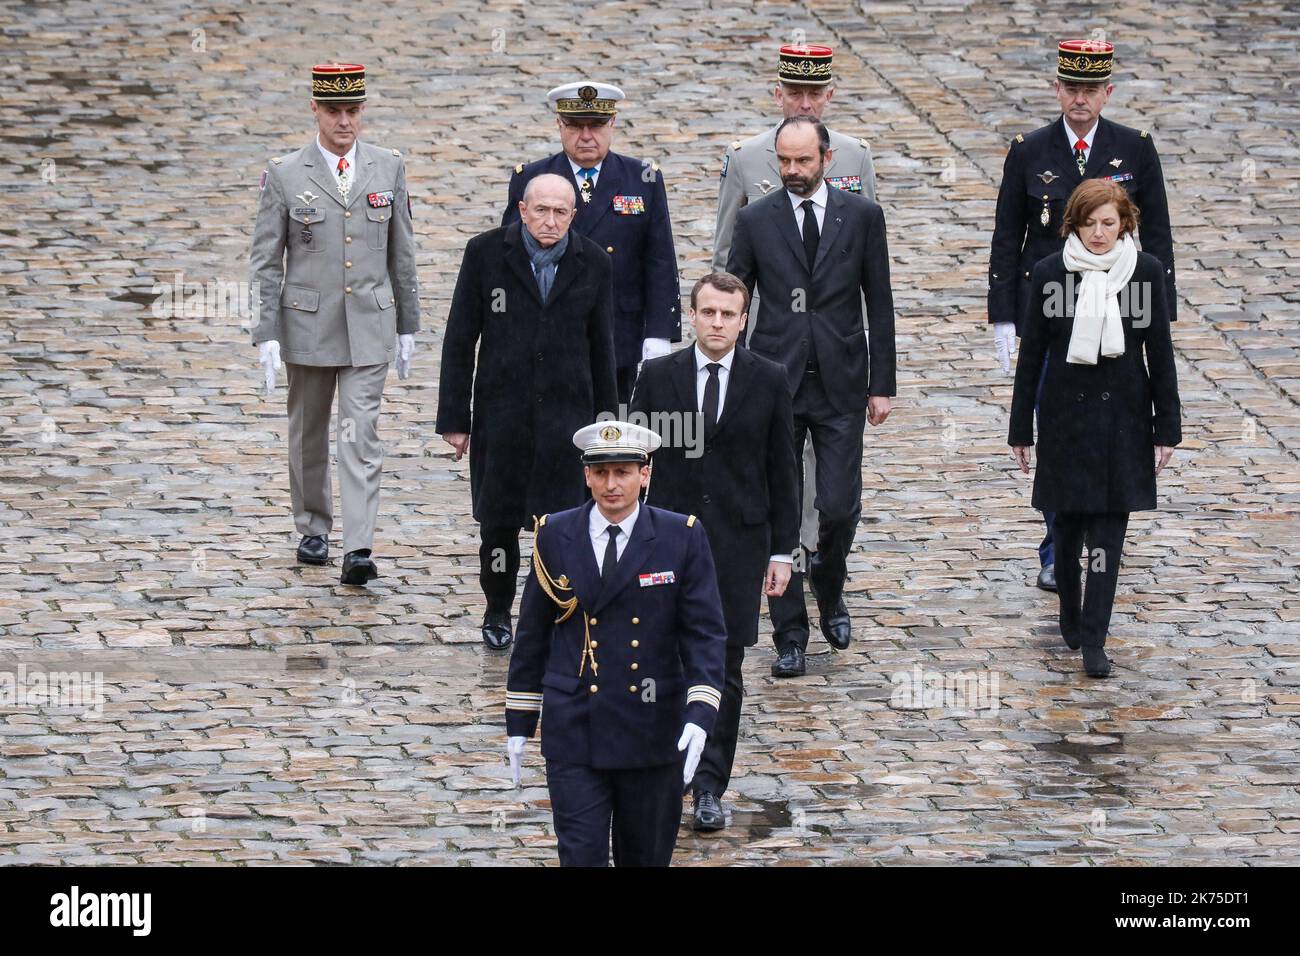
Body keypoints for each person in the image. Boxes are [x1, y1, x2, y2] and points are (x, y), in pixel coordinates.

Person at [988, 38, 1177, 593]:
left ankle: (1100, 534)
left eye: (1090, 89)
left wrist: (1160, 310)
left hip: (1118, 307)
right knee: (1058, 424)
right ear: (1057, 89)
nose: (1080, 99)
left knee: (1113, 422)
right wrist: (1004, 313)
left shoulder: (1134, 148)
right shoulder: (1030, 150)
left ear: (1107, 92)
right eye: (1071, 88)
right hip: (1051, 309)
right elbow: (1007, 235)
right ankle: (1056, 545)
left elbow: (1157, 234)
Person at [505, 421, 727, 866]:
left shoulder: (679, 536)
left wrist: (700, 713)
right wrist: (520, 721)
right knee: (580, 856)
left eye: (623, 471)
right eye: (601, 472)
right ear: (586, 474)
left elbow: (704, 633)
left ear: (645, 474)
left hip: (651, 730)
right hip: (576, 729)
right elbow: (533, 633)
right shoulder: (554, 534)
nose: (611, 485)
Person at [726, 116, 896, 678]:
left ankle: (830, 581)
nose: (792, 171)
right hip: (775, 378)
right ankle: (789, 634)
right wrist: (727, 371)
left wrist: (882, 383)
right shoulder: (755, 219)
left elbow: (880, 301)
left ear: (827, 158)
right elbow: (734, 300)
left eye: (803, 160)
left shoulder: (863, 217)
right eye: (784, 161)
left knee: (840, 504)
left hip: (841, 378)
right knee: (781, 505)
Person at [629, 272, 799, 831]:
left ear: (743, 318)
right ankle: (663, 774)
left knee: (723, 666)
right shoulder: (657, 376)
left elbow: (784, 471)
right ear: (692, 315)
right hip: (668, 543)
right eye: (708, 313)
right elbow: (634, 467)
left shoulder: (769, 380)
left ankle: (708, 785)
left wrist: (782, 553)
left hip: (738, 545)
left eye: (728, 314)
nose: (718, 323)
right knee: (662, 658)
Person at [249, 63, 420, 585]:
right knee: (309, 430)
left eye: (353, 111)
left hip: (370, 322)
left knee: (361, 432)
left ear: (362, 111)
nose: (344, 121)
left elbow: (402, 251)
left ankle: (359, 546)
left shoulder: (387, 167)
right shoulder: (286, 173)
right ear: (315, 111)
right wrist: (266, 333)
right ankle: (313, 524)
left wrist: (408, 323)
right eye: (334, 111)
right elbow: (264, 260)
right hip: (307, 325)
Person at [712, 43, 878, 569]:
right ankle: (788, 548)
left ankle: (818, 550)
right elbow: (726, 258)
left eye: (814, 94)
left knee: (831, 475)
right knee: (779, 460)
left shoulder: (854, 155)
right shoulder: (745, 157)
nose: (804, 104)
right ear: (778, 93)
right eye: (795, 93)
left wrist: (868, 353)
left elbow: (869, 260)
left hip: (834, 344)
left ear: (828, 95)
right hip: (773, 335)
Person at [437, 174, 618, 650]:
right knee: (497, 523)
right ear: (522, 210)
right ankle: (497, 608)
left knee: (559, 523)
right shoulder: (485, 254)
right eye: (541, 211)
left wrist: (606, 421)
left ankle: (556, 609)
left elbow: (604, 347)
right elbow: (460, 337)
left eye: (561, 212)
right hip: (502, 414)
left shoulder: (594, 263)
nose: (550, 221)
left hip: (566, 419)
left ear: (573, 216)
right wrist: (456, 419)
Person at [1009, 178, 1181, 678]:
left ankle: (1094, 637)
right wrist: (1021, 428)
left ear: (1124, 223)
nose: (1099, 234)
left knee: (1108, 536)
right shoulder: (1050, 274)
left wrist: (1166, 428)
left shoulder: (1144, 274)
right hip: (1064, 418)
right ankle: (1069, 602)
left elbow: (1161, 354)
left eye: (1109, 223)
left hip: (1122, 420)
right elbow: (1032, 356)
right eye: (1090, 224)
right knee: (1066, 530)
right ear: (1075, 225)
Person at [503, 82, 680, 404]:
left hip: (618, 333)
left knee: (612, 434)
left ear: (612, 123)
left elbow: (659, 260)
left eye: (596, 125)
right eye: (575, 126)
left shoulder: (642, 178)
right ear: (559, 125)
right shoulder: (532, 178)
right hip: (547, 333)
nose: (586, 136)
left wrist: (659, 331)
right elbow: (510, 259)